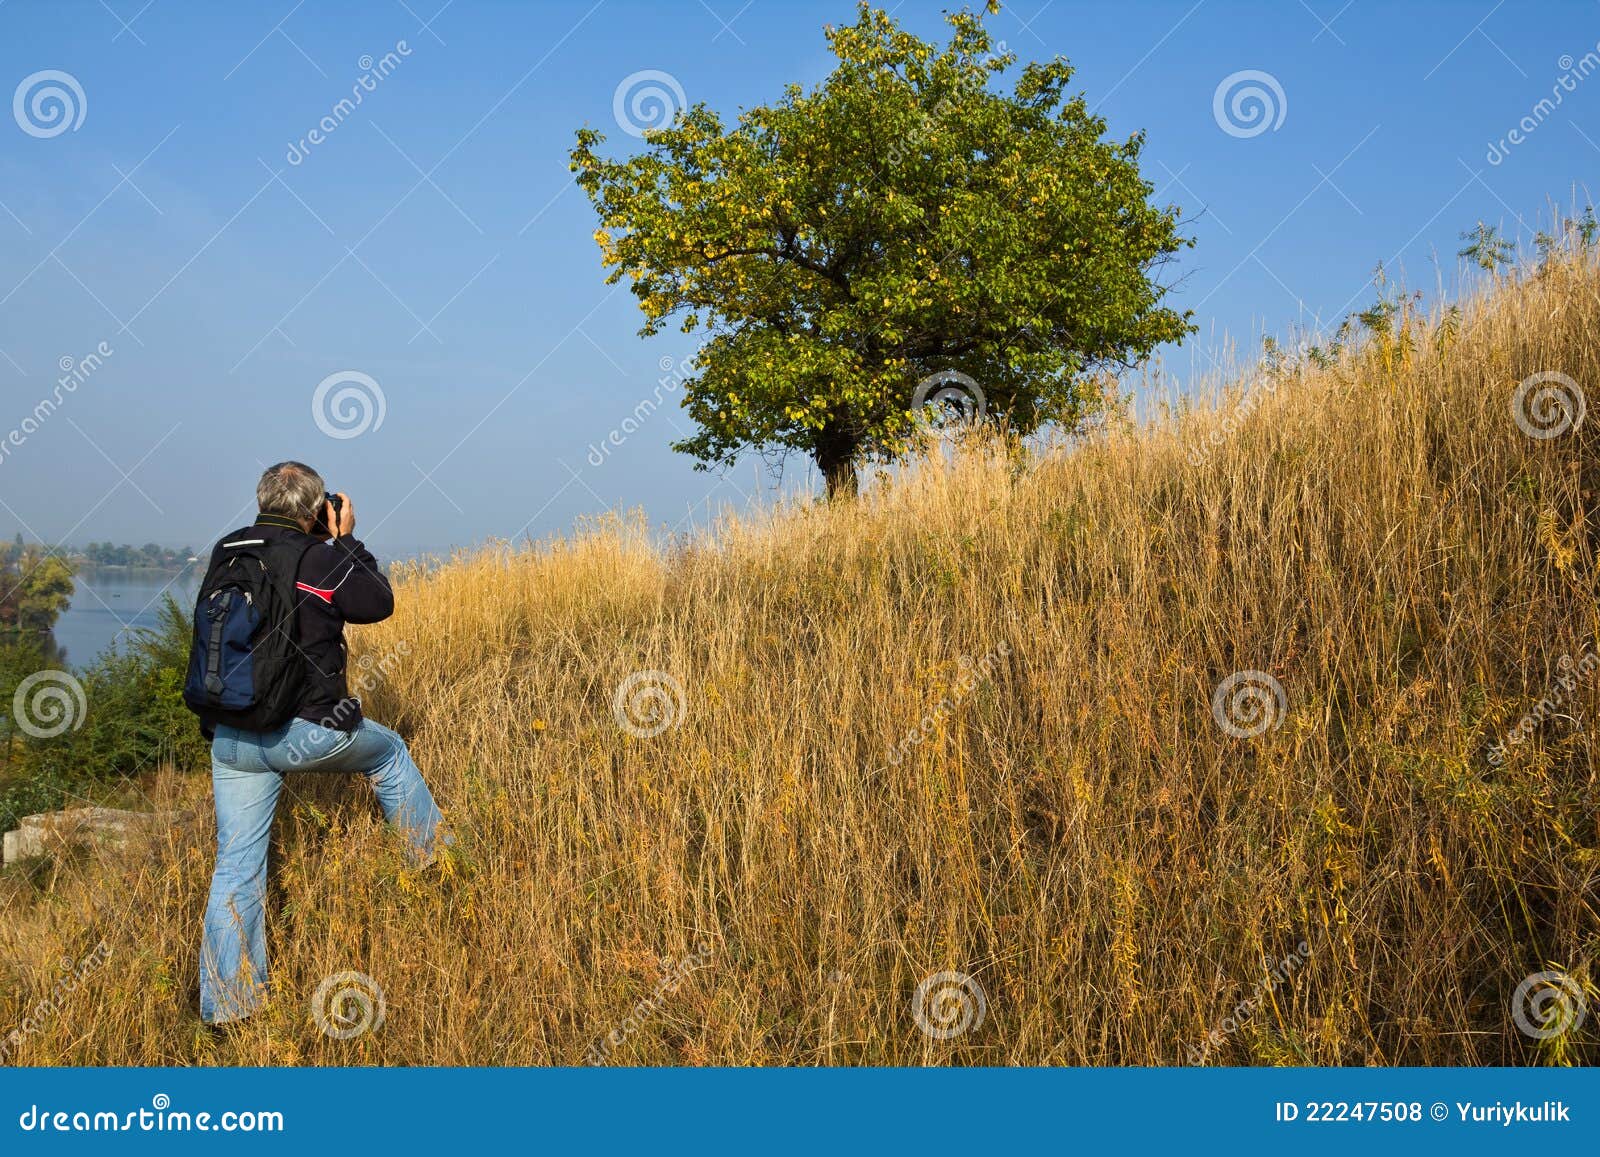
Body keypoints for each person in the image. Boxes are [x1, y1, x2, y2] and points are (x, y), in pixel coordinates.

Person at [197, 461, 446, 1026]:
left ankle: (229, 1010)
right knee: (390, 751)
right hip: (302, 730)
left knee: (235, 868)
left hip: (232, 735)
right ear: (317, 509)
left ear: (262, 500)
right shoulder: (321, 558)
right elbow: (377, 603)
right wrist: (347, 538)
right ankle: (433, 864)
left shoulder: (229, 550)